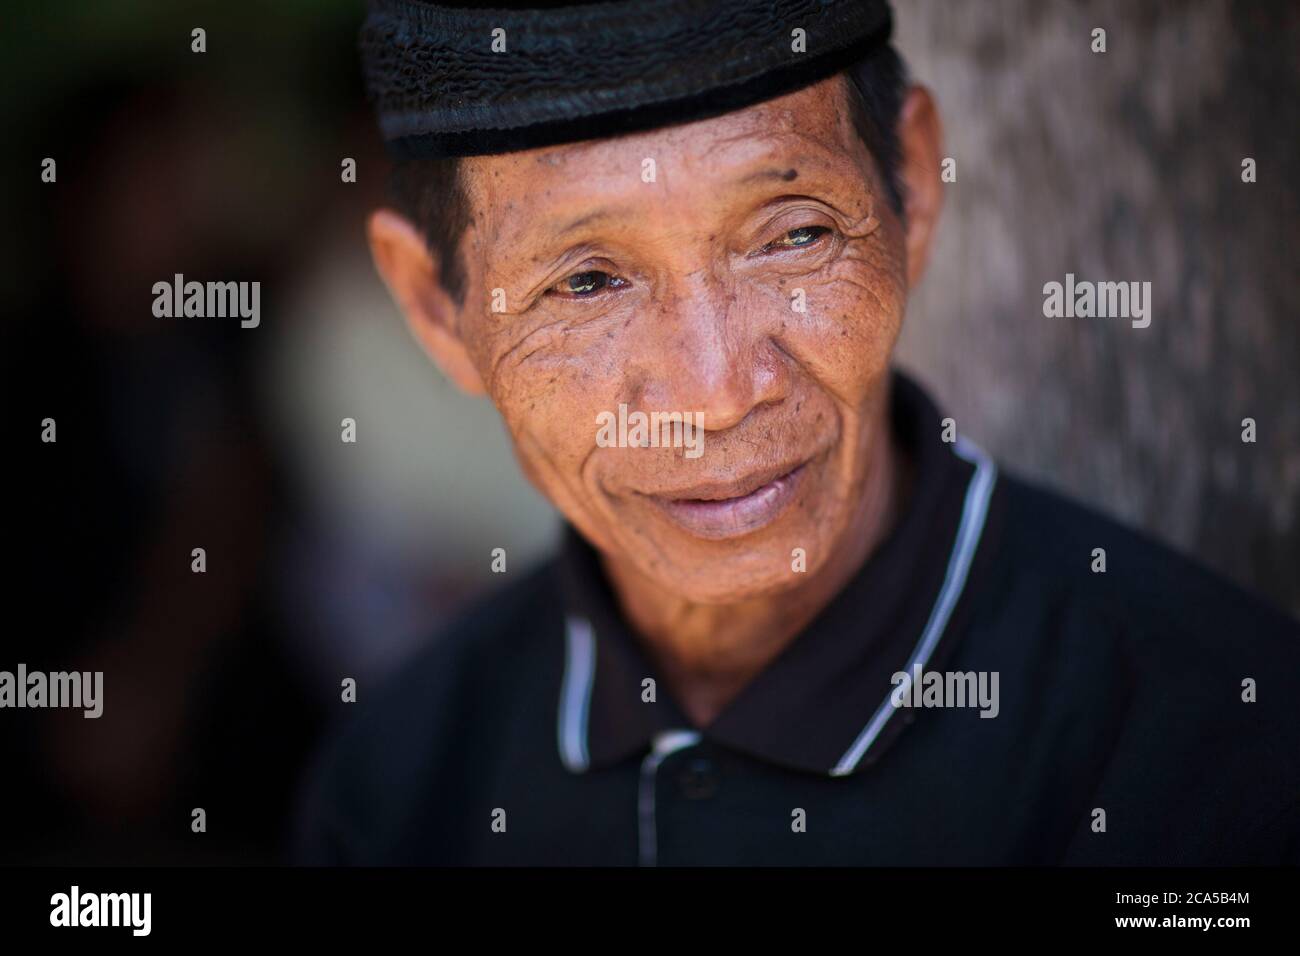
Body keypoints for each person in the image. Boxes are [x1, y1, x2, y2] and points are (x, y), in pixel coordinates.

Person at [293, 0, 1300, 865]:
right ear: (437, 308)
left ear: (908, 186)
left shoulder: (1213, 749)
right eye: (588, 281)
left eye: (794, 234)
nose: (721, 390)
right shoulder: (400, 790)